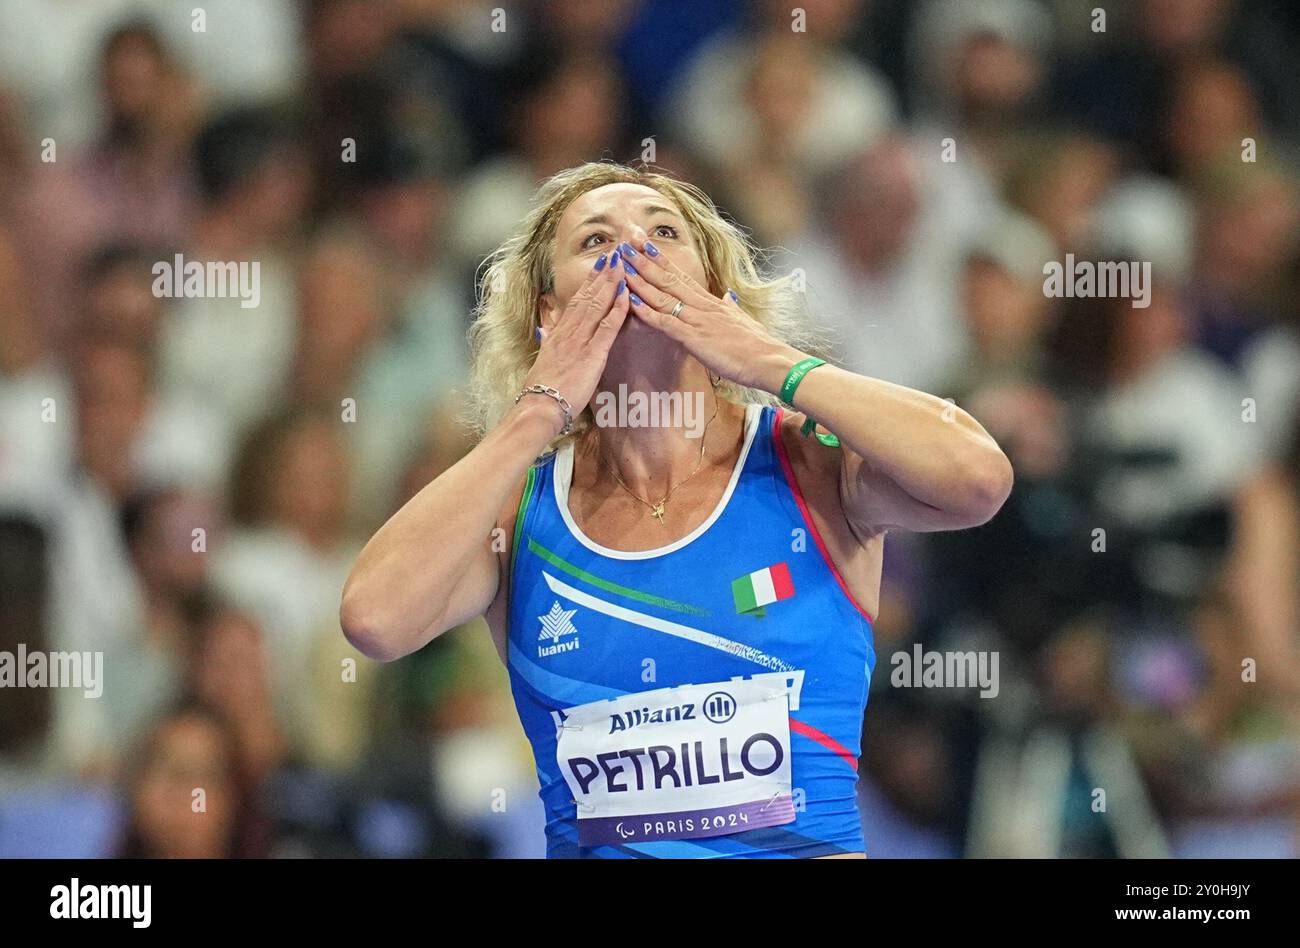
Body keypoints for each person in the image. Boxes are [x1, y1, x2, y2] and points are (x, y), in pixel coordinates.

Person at [341, 162, 1013, 858]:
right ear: (549, 314)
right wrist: (534, 413)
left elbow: (977, 480)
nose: (635, 253)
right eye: (596, 242)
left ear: (715, 292)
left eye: (664, 232)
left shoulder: (806, 459)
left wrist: (772, 362)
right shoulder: (520, 510)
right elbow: (375, 620)